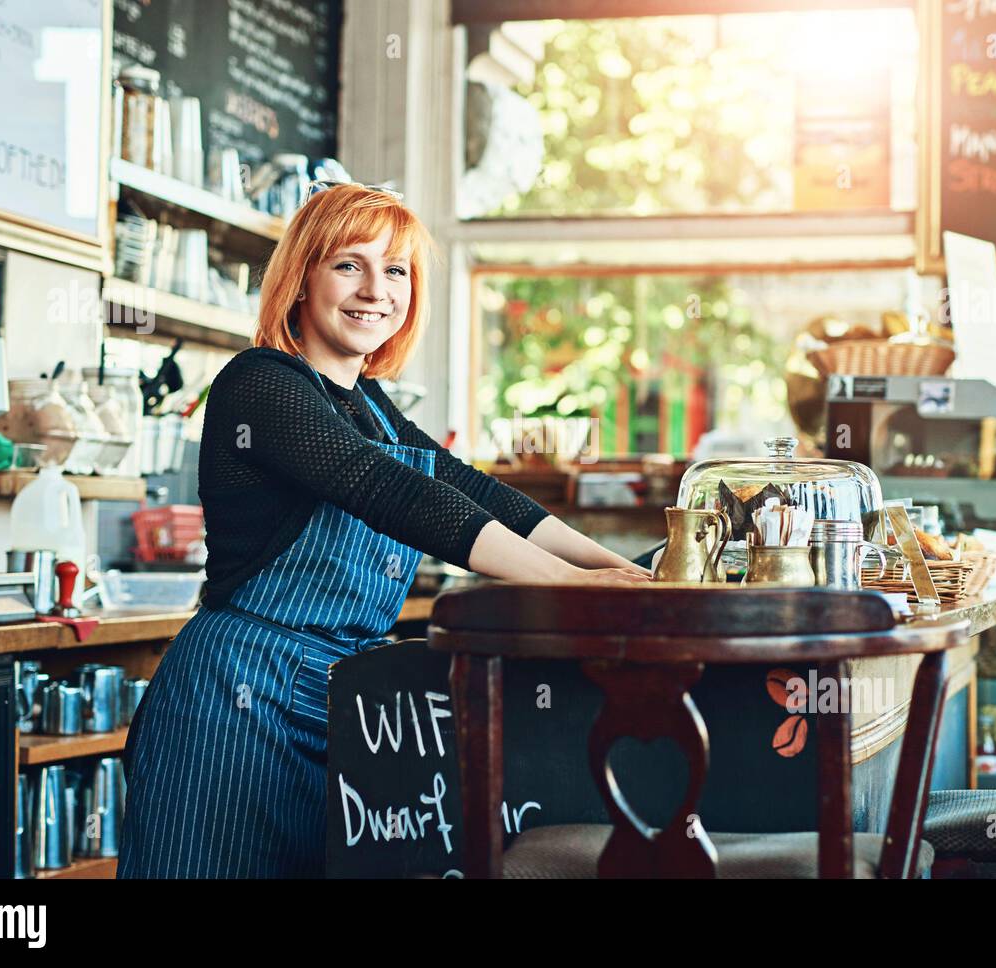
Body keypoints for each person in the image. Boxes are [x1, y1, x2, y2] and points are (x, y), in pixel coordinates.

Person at [118, 183, 648, 877]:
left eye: (395, 270)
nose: (376, 289)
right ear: (301, 279)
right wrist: (577, 589)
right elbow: (385, 489)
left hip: (338, 699)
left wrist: (625, 573)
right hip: (235, 703)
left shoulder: (369, 403)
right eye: (348, 265)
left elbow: (470, 489)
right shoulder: (259, 382)